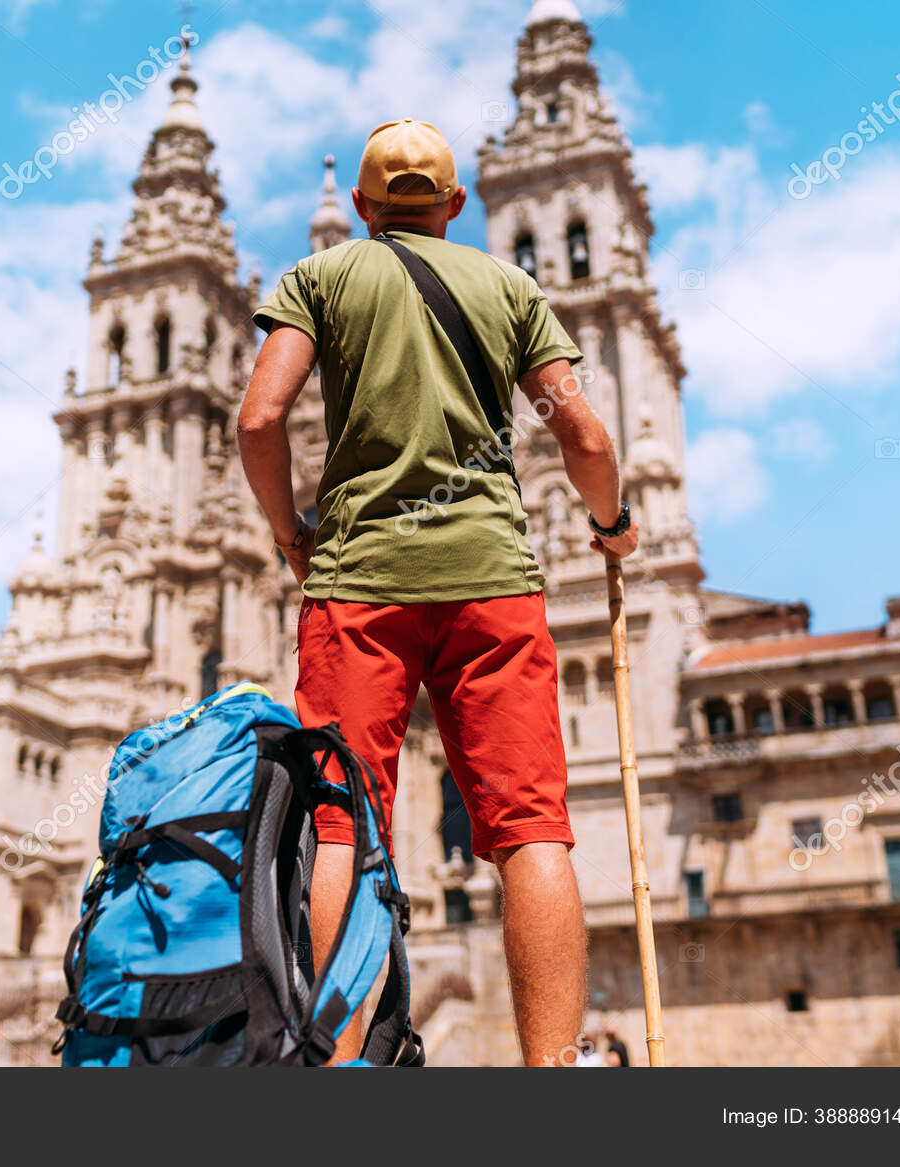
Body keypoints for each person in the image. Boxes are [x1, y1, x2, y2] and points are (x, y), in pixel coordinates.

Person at [239, 118, 638, 1065]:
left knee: (339, 821)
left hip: (357, 584)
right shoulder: (512, 286)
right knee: (533, 829)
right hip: (493, 582)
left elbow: (261, 417)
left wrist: (289, 531)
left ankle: (331, 1062)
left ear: (367, 210)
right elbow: (586, 437)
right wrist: (613, 524)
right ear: (460, 205)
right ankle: (551, 1074)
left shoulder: (323, 277)